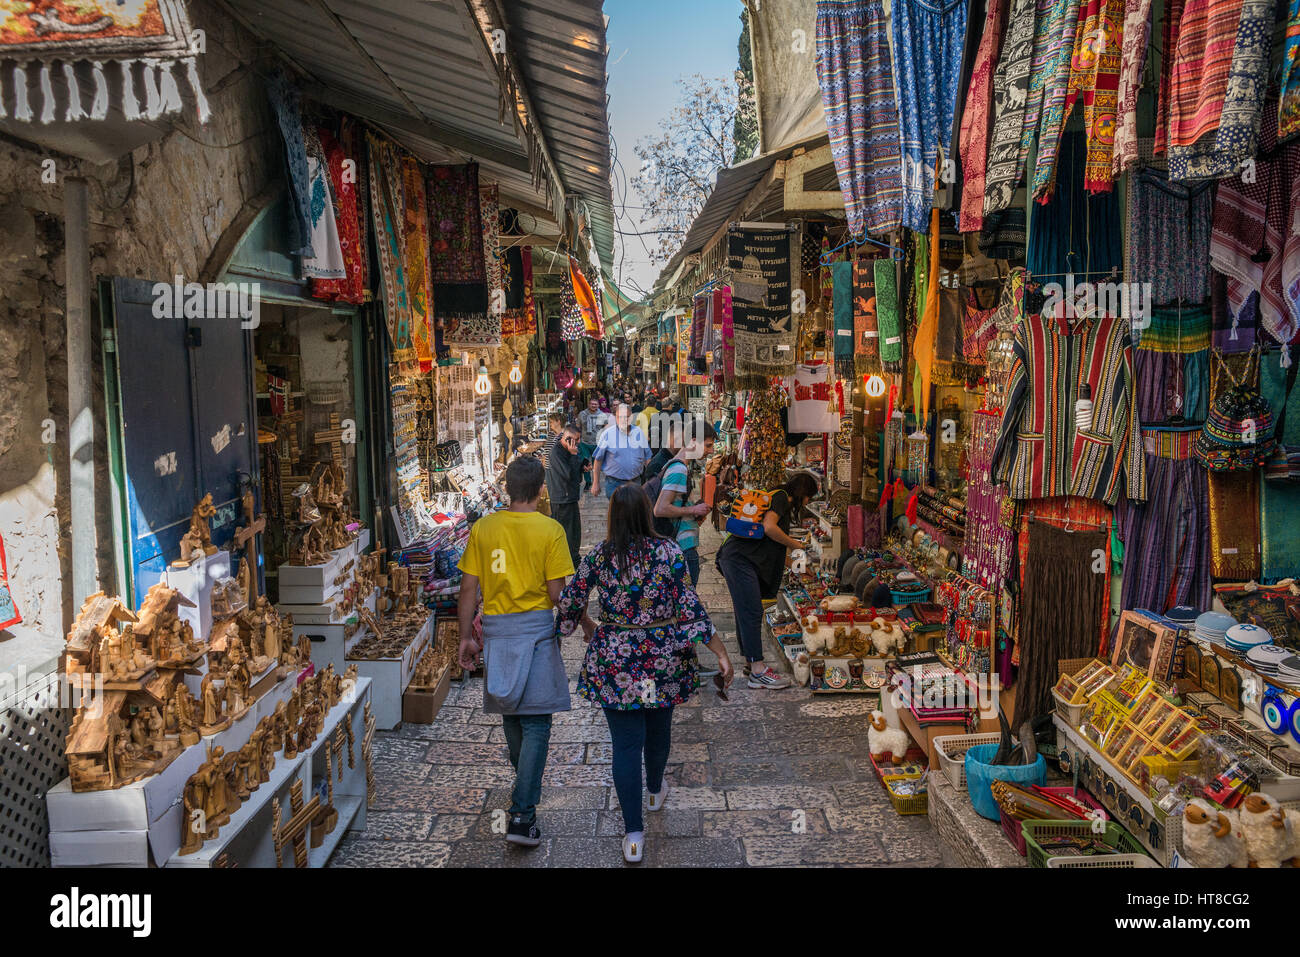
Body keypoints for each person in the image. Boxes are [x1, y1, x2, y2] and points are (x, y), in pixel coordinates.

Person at [555, 484, 733, 863]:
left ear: (612, 516)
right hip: (660, 662)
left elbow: (570, 600)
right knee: (657, 729)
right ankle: (654, 790)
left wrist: (575, 625)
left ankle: (633, 835)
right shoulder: (668, 552)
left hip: (617, 662)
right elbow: (690, 606)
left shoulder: (602, 555)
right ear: (646, 514)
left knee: (625, 745)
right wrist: (720, 653)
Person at [456, 457, 574, 847]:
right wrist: (584, 621)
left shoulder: (484, 528)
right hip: (537, 632)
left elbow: (469, 589)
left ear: (507, 489)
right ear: (542, 490)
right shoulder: (551, 530)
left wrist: (465, 638)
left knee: (512, 715)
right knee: (537, 722)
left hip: (498, 632)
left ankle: (524, 795)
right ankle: (521, 815)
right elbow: (558, 595)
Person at [715, 472, 820, 689]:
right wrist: (796, 544)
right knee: (751, 611)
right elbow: (770, 529)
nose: (808, 502)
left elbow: (772, 549)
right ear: (802, 492)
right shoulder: (782, 497)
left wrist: (800, 568)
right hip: (738, 559)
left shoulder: (778, 499)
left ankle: (750, 660)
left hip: (739, 558)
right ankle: (758, 671)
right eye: (809, 496)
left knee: (745, 610)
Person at [651, 419, 715, 587]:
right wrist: (694, 509)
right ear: (693, 441)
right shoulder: (679, 469)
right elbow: (661, 508)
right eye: (708, 445)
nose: (711, 450)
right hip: (682, 548)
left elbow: (675, 504)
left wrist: (692, 511)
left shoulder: (675, 465)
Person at [591, 403, 650, 499]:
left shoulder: (639, 432)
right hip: (614, 483)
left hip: (635, 482)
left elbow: (647, 457)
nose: (623, 420)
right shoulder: (607, 434)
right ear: (616, 418)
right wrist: (595, 483)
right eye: (620, 417)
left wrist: (650, 479)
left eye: (626, 417)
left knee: (635, 511)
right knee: (617, 512)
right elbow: (598, 460)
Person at [546, 423, 584, 567]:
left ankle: (574, 559)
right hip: (562, 498)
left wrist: (582, 464)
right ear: (568, 439)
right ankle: (568, 561)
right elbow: (567, 474)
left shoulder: (569, 449)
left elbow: (575, 468)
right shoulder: (556, 452)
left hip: (570, 496)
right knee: (566, 531)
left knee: (574, 530)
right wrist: (574, 456)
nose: (578, 442)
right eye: (576, 439)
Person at [576, 396, 607, 491]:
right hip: (584, 443)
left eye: (595, 404)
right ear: (589, 404)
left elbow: (606, 428)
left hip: (596, 443)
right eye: (592, 404)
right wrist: (578, 439)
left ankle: (595, 482)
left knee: (595, 464)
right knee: (585, 463)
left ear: (598, 405)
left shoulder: (602, 415)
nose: (594, 406)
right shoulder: (582, 414)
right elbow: (578, 427)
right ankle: (588, 482)